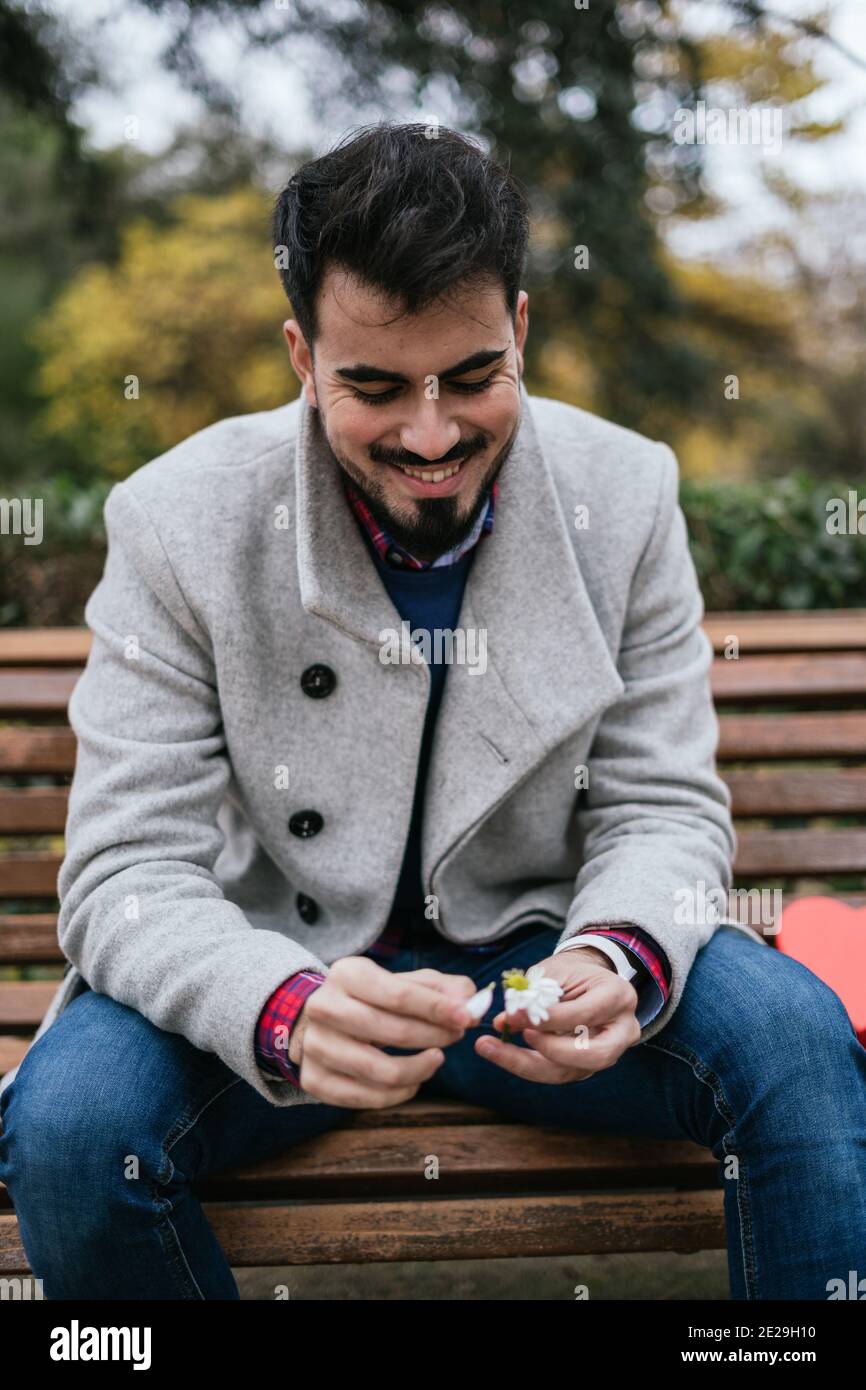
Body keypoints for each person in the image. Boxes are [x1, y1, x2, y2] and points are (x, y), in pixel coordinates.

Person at [2, 122, 864, 1302]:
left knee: (795, 1039)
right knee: (70, 1130)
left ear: (520, 327)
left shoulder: (626, 491)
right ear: (300, 355)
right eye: (370, 385)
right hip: (275, 967)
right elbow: (123, 870)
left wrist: (619, 951)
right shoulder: (175, 519)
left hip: (540, 954)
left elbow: (660, 806)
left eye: (469, 377)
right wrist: (281, 1007)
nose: (428, 435)